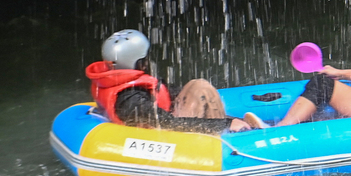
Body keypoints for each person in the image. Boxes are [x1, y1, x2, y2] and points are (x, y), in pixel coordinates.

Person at [86, 29, 262, 134]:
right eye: (145, 58)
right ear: (137, 62)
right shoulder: (131, 101)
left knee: (196, 88)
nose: (148, 62)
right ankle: (238, 133)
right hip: (165, 137)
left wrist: (230, 118)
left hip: (161, 124)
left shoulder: (123, 83)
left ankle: (245, 124)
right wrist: (226, 124)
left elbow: (169, 94)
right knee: (201, 89)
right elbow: (169, 123)